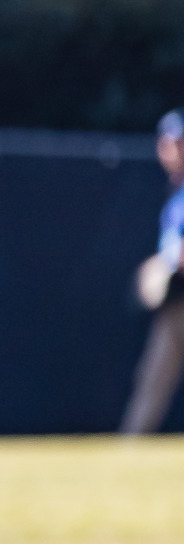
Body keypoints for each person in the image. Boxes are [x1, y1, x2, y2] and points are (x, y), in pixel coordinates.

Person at [123, 108, 184, 434]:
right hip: (174, 303)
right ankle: (128, 459)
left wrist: (166, 263)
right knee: (151, 382)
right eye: (168, 143)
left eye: (178, 143)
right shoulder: (175, 189)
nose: (171, 150)